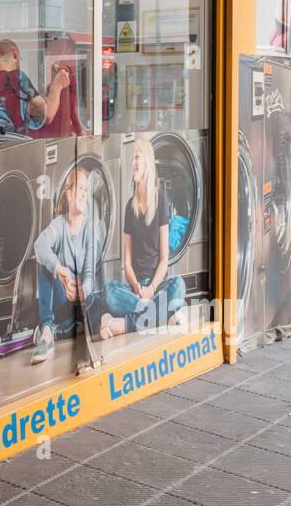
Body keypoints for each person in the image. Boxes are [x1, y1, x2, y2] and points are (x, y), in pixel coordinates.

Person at [100, 136, 186, 339]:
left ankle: (124, 324)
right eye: (132, 159)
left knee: (178, 286)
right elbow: (127, 263)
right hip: (135, 289)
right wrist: (138, 288)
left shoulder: (161, 200)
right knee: (109, 291)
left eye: (137, 158)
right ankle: (162, 315)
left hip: (157, 286)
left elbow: (165, 258)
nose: (133, 163)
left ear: (147, 162)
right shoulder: (130, 207)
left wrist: (152, 288)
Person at [31, 167, 103, 364]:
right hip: (60, 298)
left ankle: (57, 330)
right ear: (69, 193)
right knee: (44, 261)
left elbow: (89, 276)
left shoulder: (90, 229)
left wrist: (80, 291)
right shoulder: (59, 224)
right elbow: (39, 245)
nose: (84, 194)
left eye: (86, 190)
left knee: (98, 301)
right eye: (80, 188)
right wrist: (59, 268)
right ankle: (46, 333)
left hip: (80, 302)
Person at [0, 38, 70, 138]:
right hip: (19, 144)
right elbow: (47, 115)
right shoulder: (18, 78)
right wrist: (57, 85)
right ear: (14, 55)